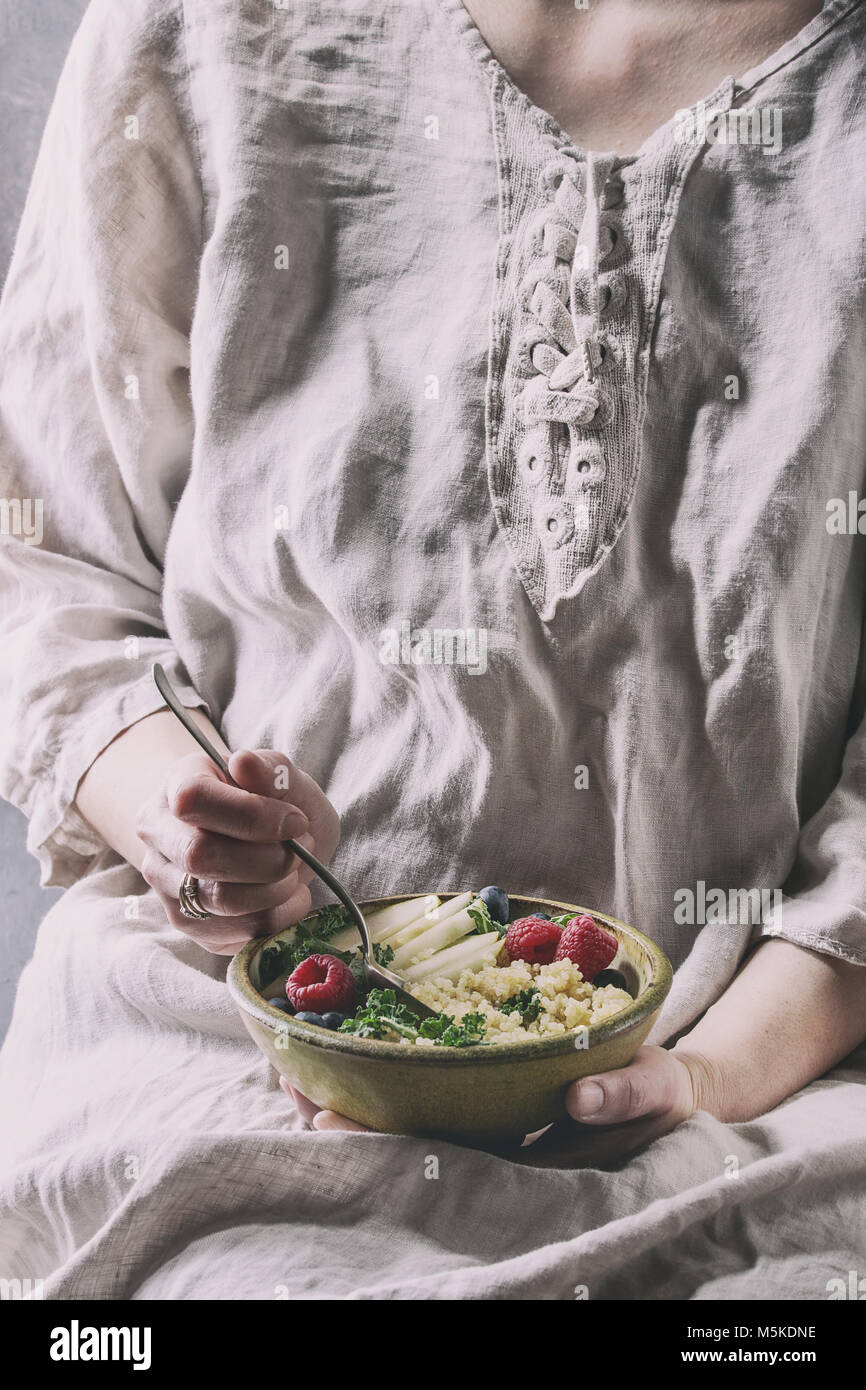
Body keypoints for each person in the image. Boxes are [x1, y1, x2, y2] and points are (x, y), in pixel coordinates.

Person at [1, 0, 865, 1296]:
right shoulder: (202, 29)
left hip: (770, 1070)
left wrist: (701, 1073)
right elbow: (44, 553)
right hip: (225, 1036)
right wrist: (185, 825)